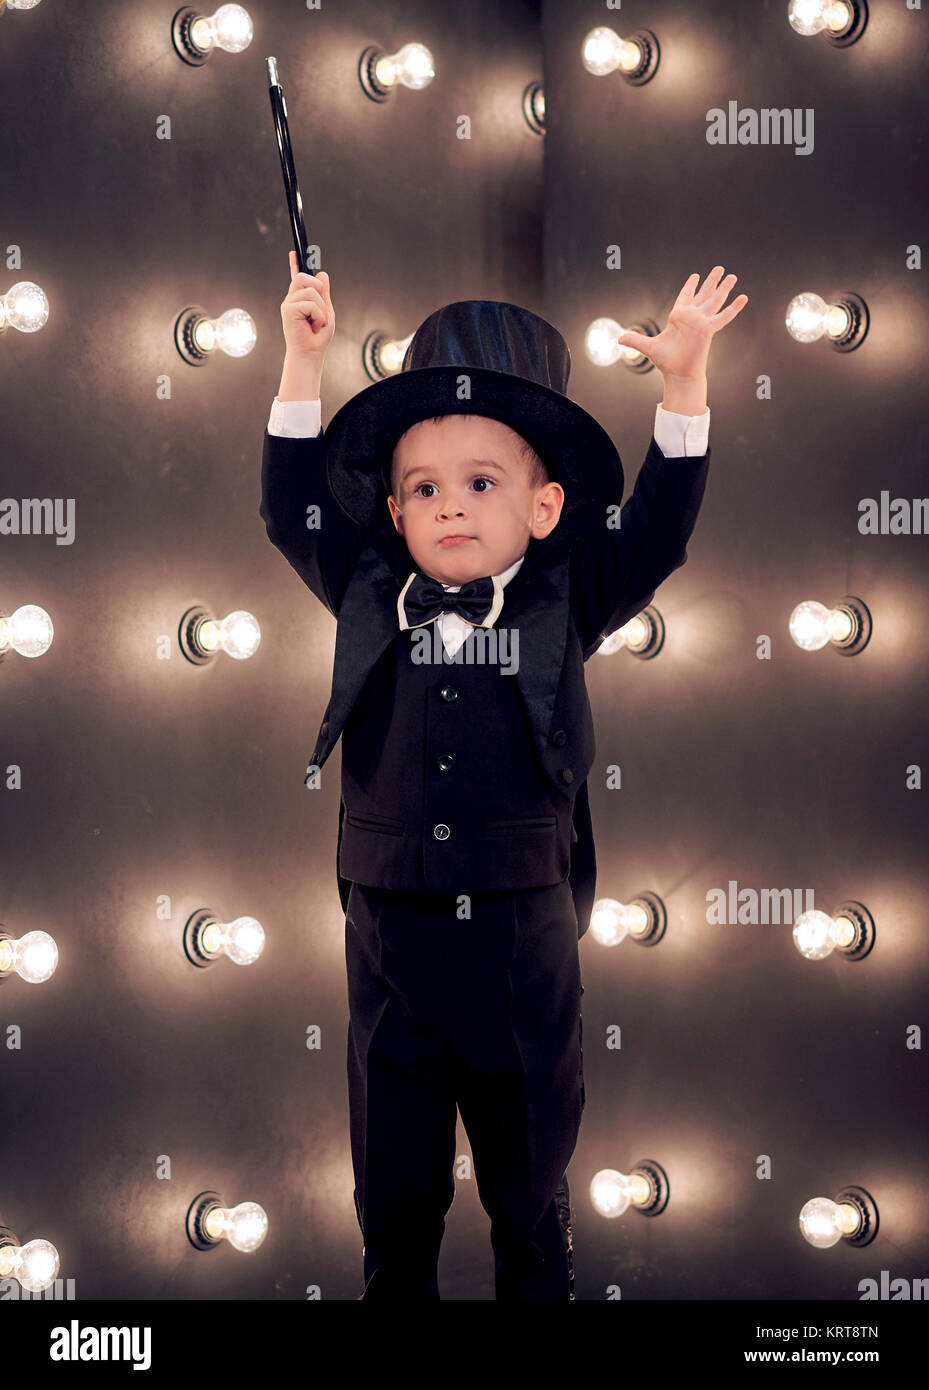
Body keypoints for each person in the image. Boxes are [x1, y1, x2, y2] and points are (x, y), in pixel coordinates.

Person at [260, 255, 747, 1299]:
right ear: (391, 513)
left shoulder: (569, 598)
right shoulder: (364, 588)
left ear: (542, 508)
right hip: (388, 930)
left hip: (524, 933)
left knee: (527, 1187)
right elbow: (288, 509)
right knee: (394, 1192)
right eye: (423, 488)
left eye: (481, 484)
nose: (448, 508)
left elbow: (658, 528)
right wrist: (302, 359)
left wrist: (682, 386)